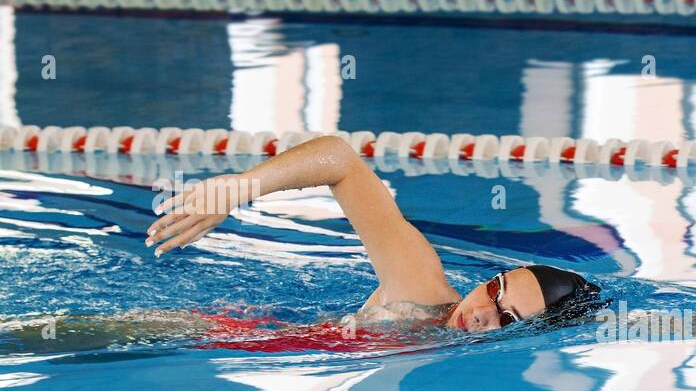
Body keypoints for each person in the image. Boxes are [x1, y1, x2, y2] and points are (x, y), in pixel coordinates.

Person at [147, 135, 602, 332]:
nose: (485, 313)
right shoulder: (421, 287)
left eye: (511, 320)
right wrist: (238, 187)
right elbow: (340, 160)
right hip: (209, 331)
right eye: (495, 291)